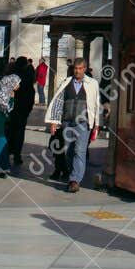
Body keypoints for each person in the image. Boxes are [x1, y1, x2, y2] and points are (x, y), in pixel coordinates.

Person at [46, 57, 100, 192]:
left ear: (85, 69)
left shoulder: (92, 84)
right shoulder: (66, 82)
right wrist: (54, 121)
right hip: (67, 122)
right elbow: (58, 102)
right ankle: (72, 174)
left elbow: (96, 104)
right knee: (68, 151)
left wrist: (97, 124)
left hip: (83, 122)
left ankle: (75, 180)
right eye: (75, 68)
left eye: (80, 69)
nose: (77, 71)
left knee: (79, 150)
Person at [6, 57, 36, 169]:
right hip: (22, 110)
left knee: (9, 131)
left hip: (12, 110)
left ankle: (8, 151)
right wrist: (28, 109)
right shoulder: (27, 78)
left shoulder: (11, 76)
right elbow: (31, 95)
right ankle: (17, 154)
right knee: (19, 132)